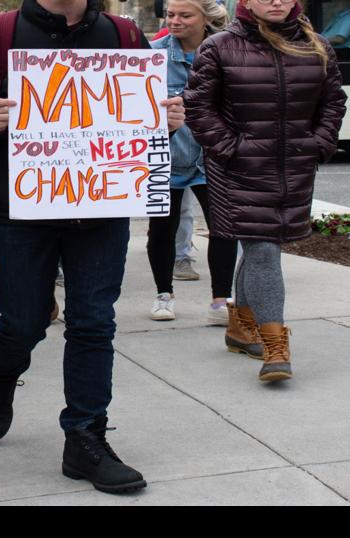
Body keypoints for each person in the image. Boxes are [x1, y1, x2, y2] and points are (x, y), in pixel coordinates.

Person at [0, 0, 185, 493]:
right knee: (25, 318)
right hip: (19, 207)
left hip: (102, 203)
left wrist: (166, 118)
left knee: (94, 319)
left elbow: (143, 119)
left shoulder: (125, 36)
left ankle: (85, 438)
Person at [186, 0, 344, 382]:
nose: (275, 0)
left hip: (294, 166)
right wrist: (232, 149)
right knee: (262, 246)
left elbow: (332, 102)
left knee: (261, 242)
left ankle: (241, 328)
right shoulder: (219, 46)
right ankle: (276, 345)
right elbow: (199, 108)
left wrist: (318, 144)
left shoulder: (317, 45)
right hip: (238, 169)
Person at [143, 0, 246, 343]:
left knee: (223, 229)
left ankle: (220, 300)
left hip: (212, 160)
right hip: (166, 158)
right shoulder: (152, 54)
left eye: (185, 15)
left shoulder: (227, 50)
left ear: (206, 19)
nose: (174, 21)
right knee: (161, 231)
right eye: (170, 15)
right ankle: (163, 295)